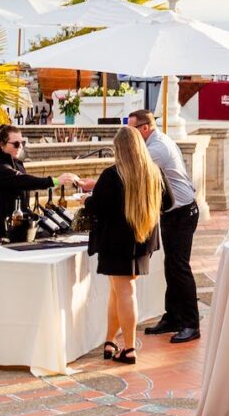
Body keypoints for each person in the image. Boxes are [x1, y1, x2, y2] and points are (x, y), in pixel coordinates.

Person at [85, 125, 165, 364]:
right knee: (117, 292)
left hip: (116, 242)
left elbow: (96, 207)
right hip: (141, 239)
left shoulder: (112, 175)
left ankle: (129, 348)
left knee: (125, 292)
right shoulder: (153, 172)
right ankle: (110, 341)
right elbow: (168, 201)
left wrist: (88, 199)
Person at [131, 108, 200, 344]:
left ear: (145, 128)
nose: (130, 134)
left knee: (179, 267)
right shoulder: (153, 143)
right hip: (173, 212)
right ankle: (173, 317)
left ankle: (191, 323)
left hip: (183, 212)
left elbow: (133, 174)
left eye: (132, 129)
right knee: (171, 265)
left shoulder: (156, 149)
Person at [0, 125, 76, 249]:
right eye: (16, 144)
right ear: (2, 145)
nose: (20, 147)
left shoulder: (15, 162)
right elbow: (20, 180)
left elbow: (21, 190)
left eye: (22, 143)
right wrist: (54, 181)